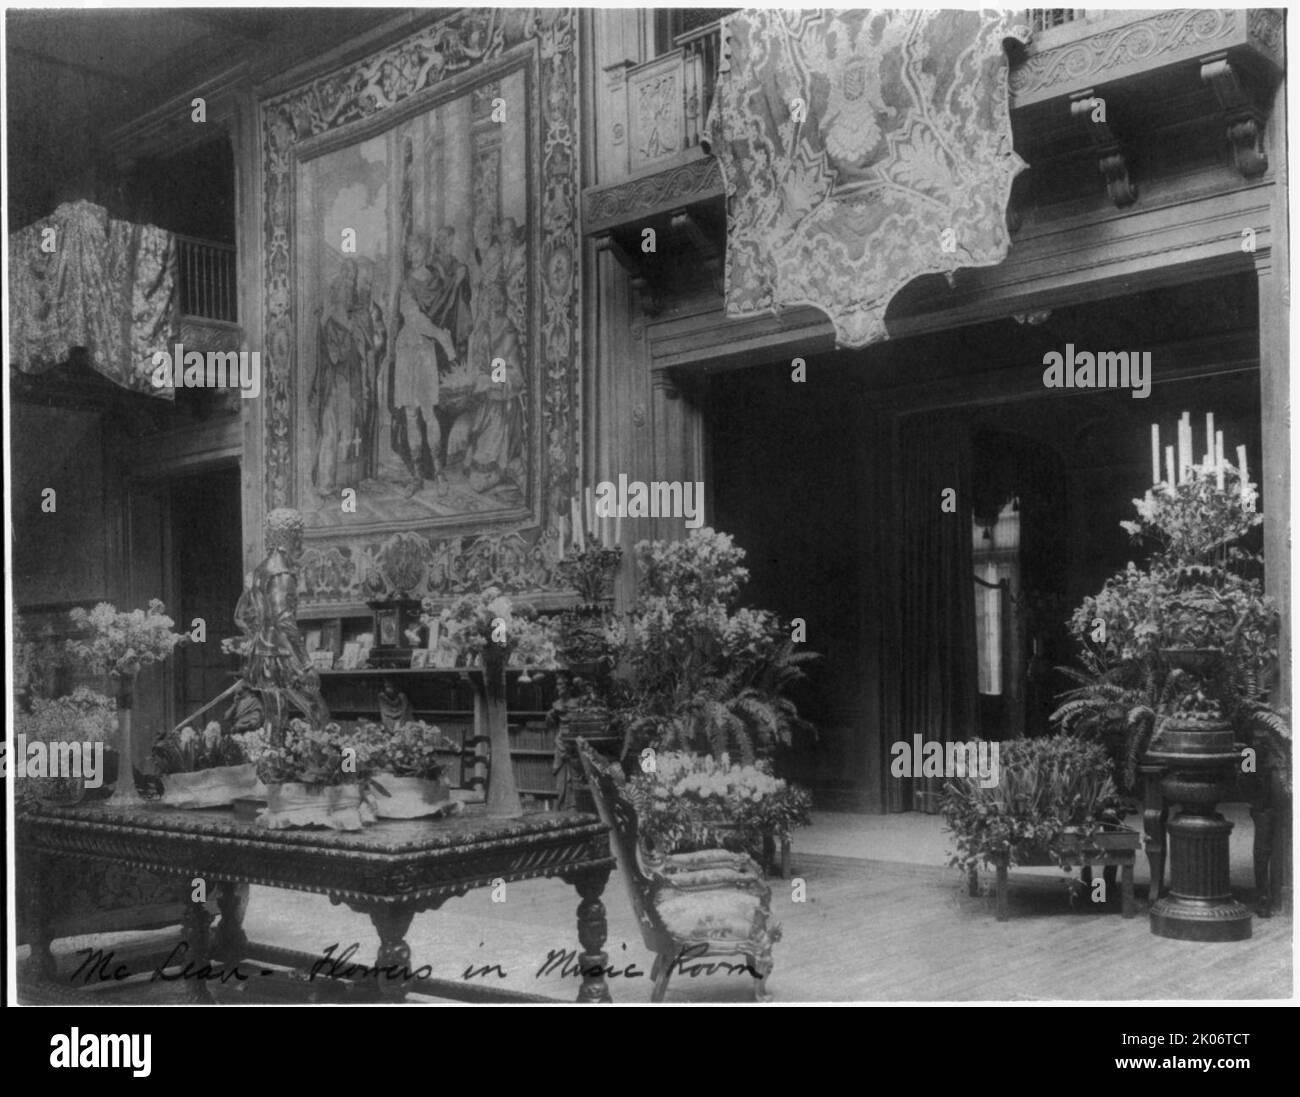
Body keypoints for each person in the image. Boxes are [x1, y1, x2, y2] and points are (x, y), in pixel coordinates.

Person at [232, 508, 330, 743]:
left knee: (275, 717)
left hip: (262, 655)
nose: (301, 542)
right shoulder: (282, 573)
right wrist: (306, 664)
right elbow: (284, 620)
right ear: (291, 537)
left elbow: (240, 615)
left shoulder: (259, 570)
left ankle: (272, 768)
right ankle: (311, 767)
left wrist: (257, 636)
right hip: (282, 657)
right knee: (318, 713)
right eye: (299, 536)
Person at [390, 232, 458, 498]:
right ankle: (417, 474)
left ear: (425, 250)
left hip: (425, 351)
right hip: (408, 349)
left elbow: (446, 309)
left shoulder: (437, 283)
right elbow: (414, 318)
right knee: (410, 413)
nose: (412, 254)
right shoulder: (406, 284)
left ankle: (439, 471)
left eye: (416, 249)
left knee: (429, 412)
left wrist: (443, 337)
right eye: (409, 250)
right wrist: (441, 336)